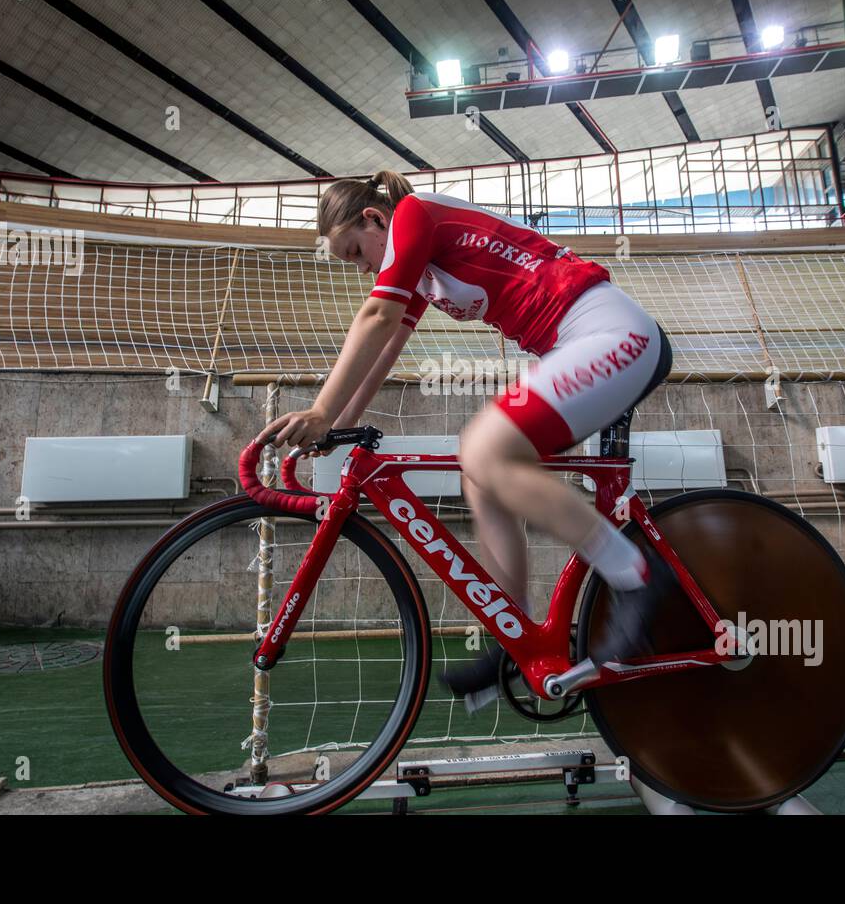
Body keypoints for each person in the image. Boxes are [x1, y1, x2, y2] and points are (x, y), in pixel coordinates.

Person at [257, 171, 675, 712]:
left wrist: (319, 409)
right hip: (584, 344)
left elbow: (378, 316)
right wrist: (336, 426)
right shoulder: (423, 266)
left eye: (356, 252)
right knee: (479, 474)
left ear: (374, 219)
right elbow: (386, 349)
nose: (362, 269)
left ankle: (637, 575)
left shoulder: (413, 215)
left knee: (483, 449)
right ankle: (519, 633)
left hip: (614, 335)